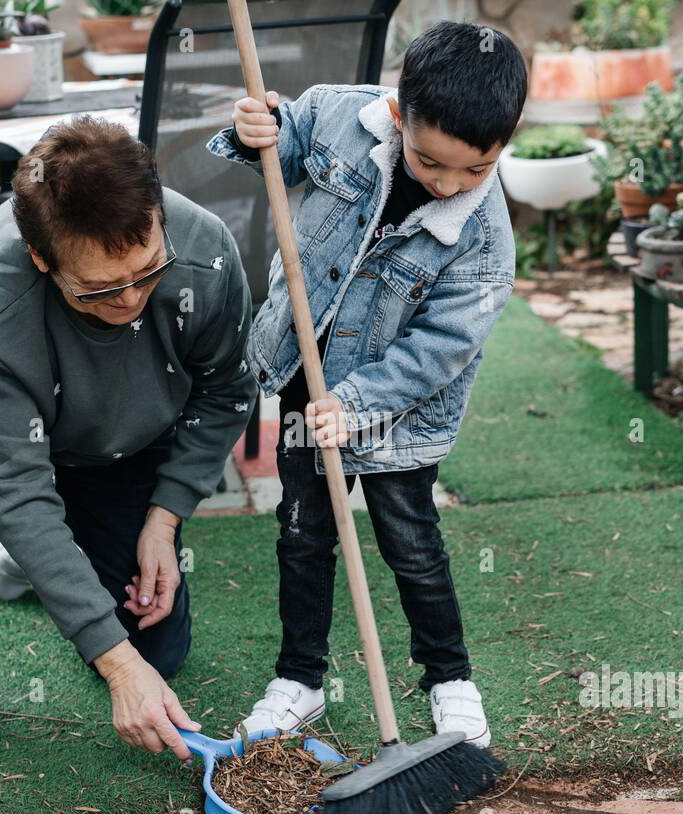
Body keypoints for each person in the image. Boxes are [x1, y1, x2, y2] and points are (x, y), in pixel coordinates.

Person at [0, 116, 256, 761]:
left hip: (116, 434)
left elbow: (224, 390)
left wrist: (163, 521)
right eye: (102, 289)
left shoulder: (205, 250)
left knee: (159, 649)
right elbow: (16, 485)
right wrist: (117, 668)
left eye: (147, 271)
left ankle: (39, 557)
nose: (131, 299)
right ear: (42, 259)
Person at [206, 21, 527, 746]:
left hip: (398, 412)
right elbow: (283, 154)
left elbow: (440, 349)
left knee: (411, 543)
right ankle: (299, 681)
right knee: (303, 532)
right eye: (429, 160)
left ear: (503, 144)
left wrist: (355, 406)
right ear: (395, 115)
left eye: (473, 171)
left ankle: (450, 678)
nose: (447, 183)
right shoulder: (332, 112)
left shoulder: (485, 240)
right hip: (305, 374)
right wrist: (264, 128)